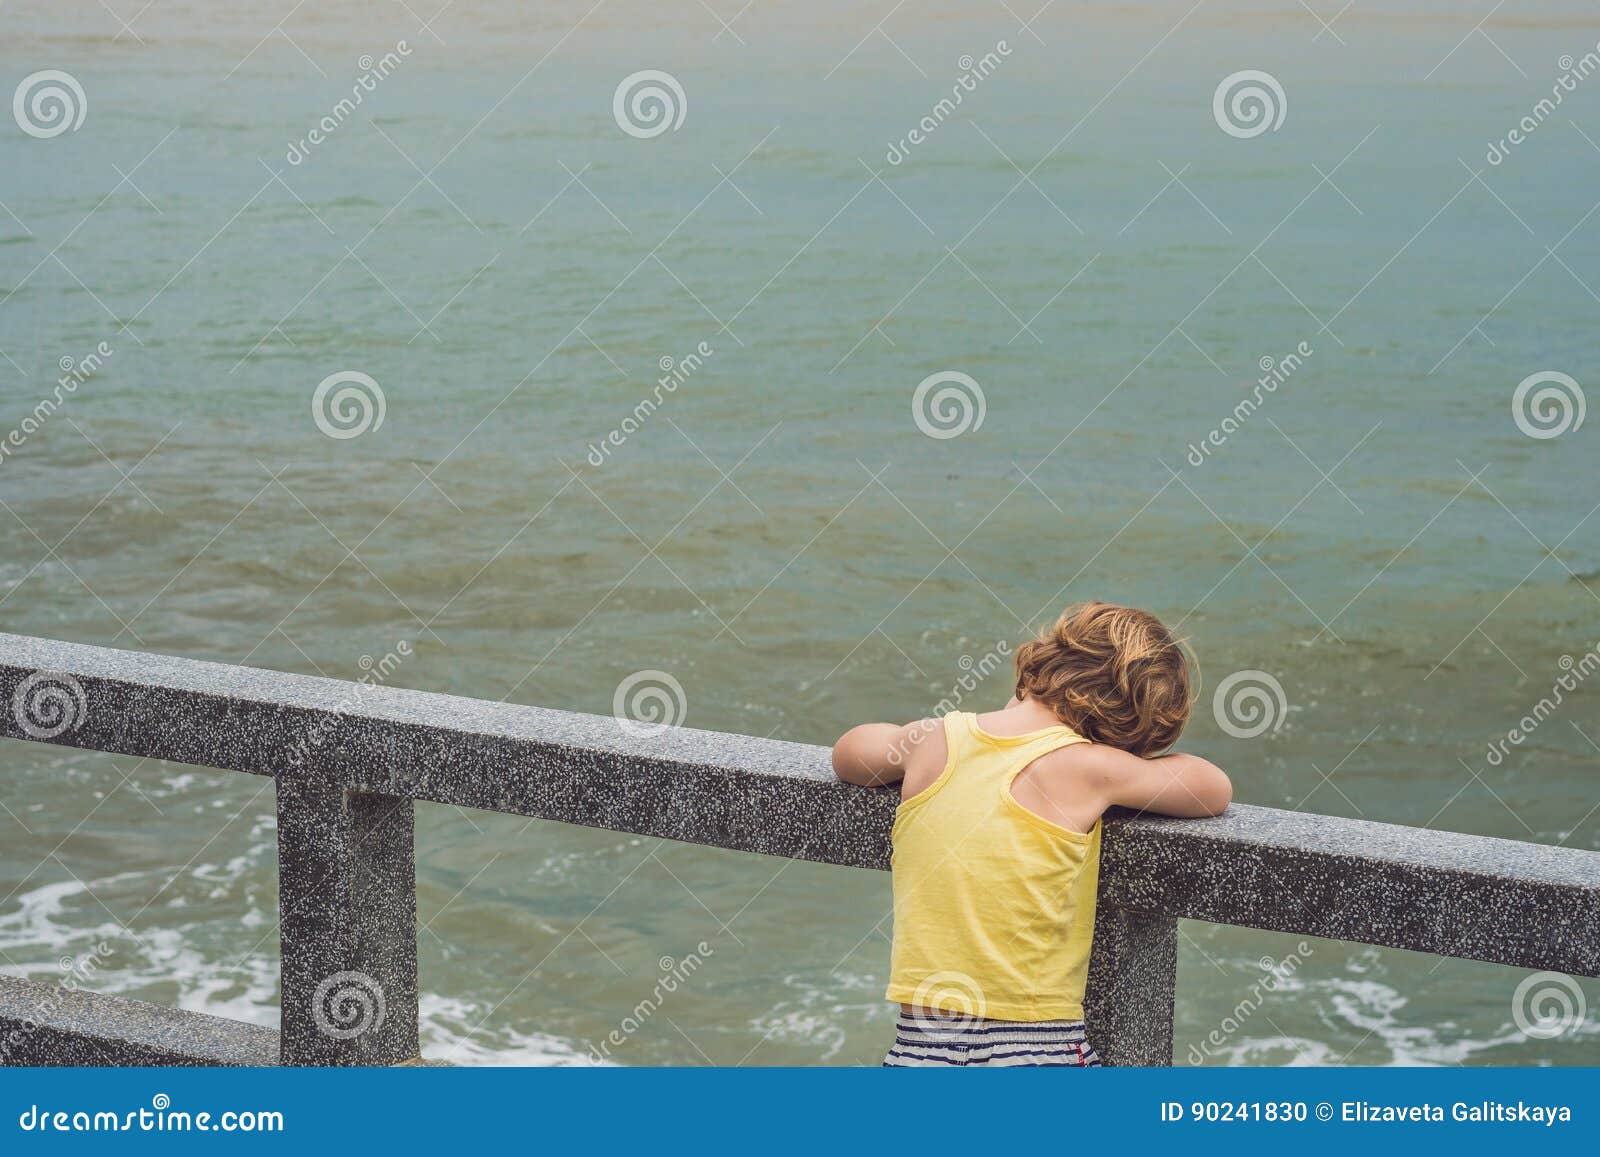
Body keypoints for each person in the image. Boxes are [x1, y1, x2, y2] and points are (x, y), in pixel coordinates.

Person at [832, 601, 1231, 1067]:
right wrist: (1128, 764)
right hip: (1038, 1046)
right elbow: (1212, 788)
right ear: (1127, 727)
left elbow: (850, 752)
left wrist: (913, 733)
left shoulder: (936, 738)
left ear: (1040, 661)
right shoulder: (1092, 767)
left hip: (921, 1046)